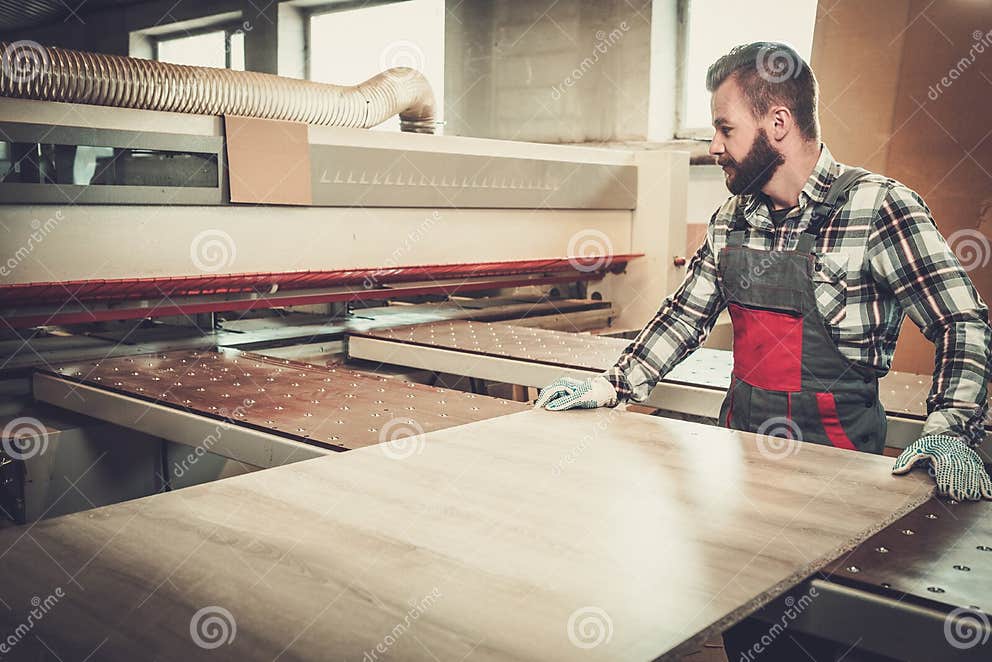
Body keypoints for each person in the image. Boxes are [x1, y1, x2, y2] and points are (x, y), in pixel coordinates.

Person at [536, 42, 992, 658]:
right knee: (751, 638)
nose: (714, 147)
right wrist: (615, 383)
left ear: (777, 123)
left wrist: (948, 426)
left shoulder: (878, 208)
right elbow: (684, 314)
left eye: (725, 128)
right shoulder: (733, 218)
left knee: (828, 637)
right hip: (740, 485)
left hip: (839, 493)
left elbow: (962, 321)